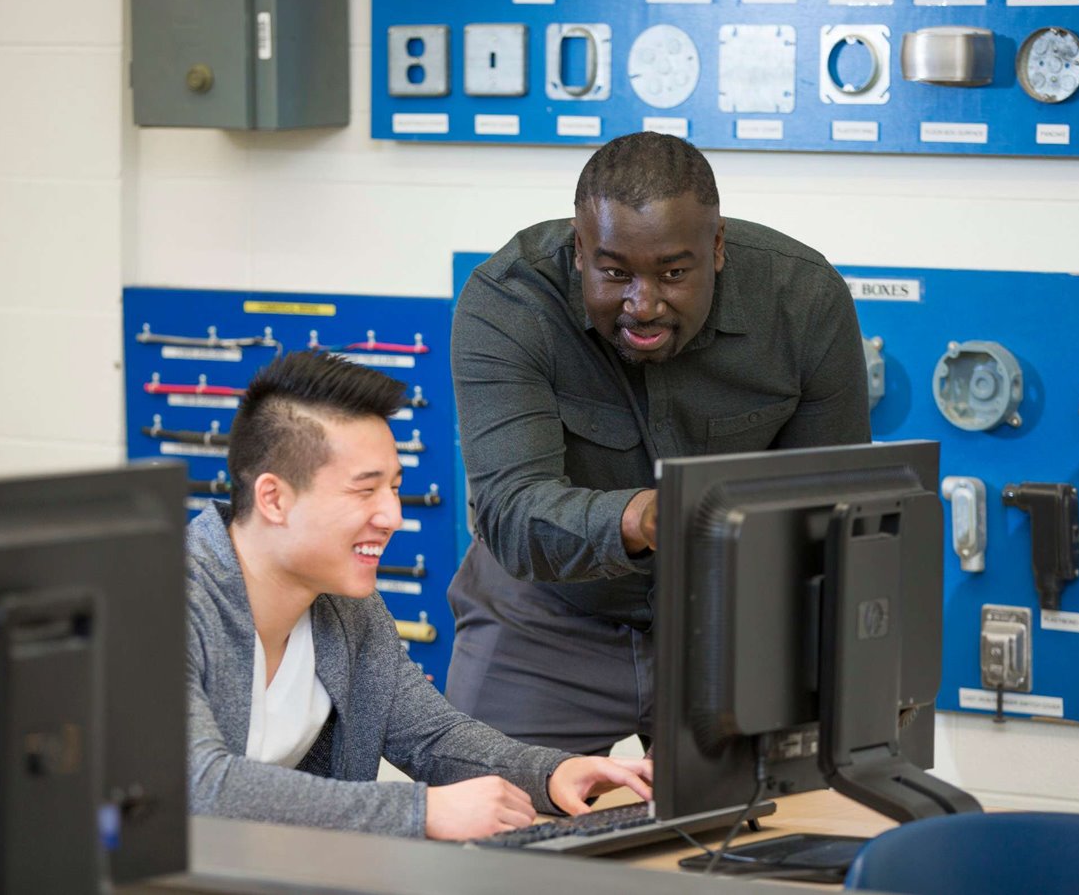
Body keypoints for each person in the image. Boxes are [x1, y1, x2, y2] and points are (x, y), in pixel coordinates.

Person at [446, 132, 872, 754]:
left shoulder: (802, 303)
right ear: (578, 248)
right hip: (544, 615)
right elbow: (509, 514)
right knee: (487, 829)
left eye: (673, 273)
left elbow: (833, 512)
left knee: (759, 837)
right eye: (614, 273)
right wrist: (641, 517)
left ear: (718, 247)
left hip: (727, 620)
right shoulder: (509, 302)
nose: (642, 305)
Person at [186, 349, 652, 840]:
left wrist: (550, 773)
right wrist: (419, 811)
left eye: (394, 487)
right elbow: (196, 785)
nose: (391, 516)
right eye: (365, 491)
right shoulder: (162, 604)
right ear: (273, 498)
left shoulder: (348, 608)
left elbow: (432, 736)